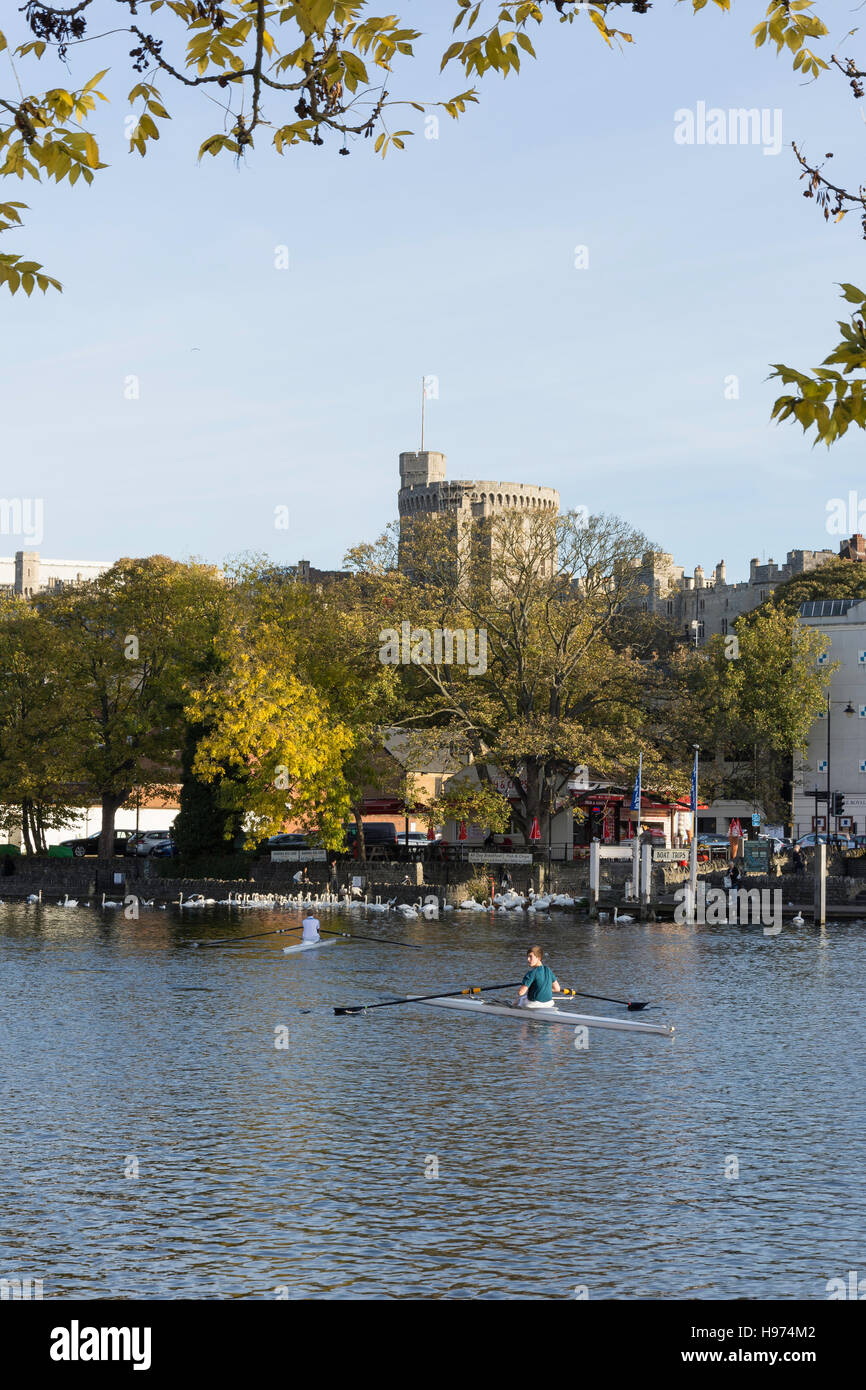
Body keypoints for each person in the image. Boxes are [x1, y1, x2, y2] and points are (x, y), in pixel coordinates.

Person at [516, 945, 562, 1010]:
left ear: (539, 958)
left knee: (520, 998)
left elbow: (521, 992)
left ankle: (512, 1009)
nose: (528, 959)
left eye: (530, 957)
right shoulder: (548, 970)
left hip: (534, 1004)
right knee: (523, 998)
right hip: (549, 1003)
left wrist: (531, 987)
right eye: (528, 957)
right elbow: (557, 989)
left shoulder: (531, 973)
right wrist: (543, 989)